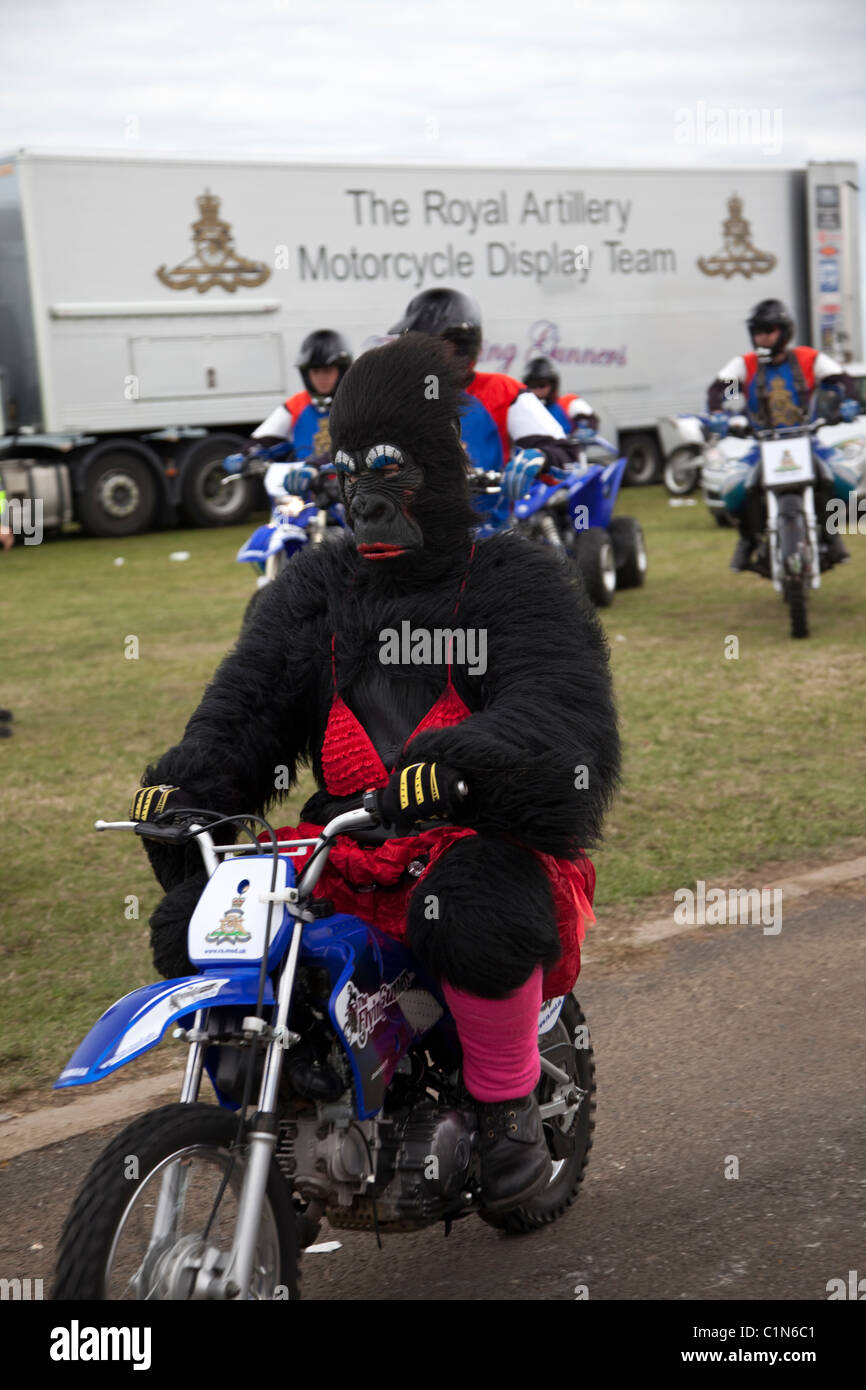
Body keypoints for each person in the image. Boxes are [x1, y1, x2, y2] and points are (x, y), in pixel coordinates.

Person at [131, 334, 620, 1213]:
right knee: (199, 919)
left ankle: (509, 1116)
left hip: (481, 846)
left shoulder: (511, 579)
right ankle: (278, 1111)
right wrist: (187, 786)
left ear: (436, 467)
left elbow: (565, 715)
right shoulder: (309, 593)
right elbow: (240, 714)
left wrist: (463, 764)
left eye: (388, 467)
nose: (365, 492)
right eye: (350, 468)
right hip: (346, 846)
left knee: (472, 902)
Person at [707, 300, 860, 570]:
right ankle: (748, 540)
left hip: (809, 442)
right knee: (733, 491)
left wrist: (848, 400)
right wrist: (720, 413)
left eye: (768, 329)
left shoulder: (808, 359)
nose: (762, 336)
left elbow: (840, 381)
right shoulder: (746, 365)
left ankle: (830, 533)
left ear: (785, 331)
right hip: (762, 446)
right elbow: (723, 391)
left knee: (844, 482)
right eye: (757, 330)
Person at [388, 289, 585, 478]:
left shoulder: (501, 391)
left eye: (432, 344)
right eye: (415, 343)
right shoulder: (397, 395)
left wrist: (541, 458)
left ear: (462, 346)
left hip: (483, 510)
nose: (419, 352)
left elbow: (565, 456)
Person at [231, 330, 352, 500]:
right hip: (301, 491)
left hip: (345, 491)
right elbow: (265, 439)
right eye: (315, 371)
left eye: (327, 371)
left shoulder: (354, 403)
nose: (321, 378)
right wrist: (243, 455)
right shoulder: (297, 404)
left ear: (341, 371)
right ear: (306, 374)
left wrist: (316, 467)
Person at [523, 355, 599, 434]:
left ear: (552, 384)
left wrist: (585, 431)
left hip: (566, 445)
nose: (537, 389)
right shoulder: (522, 408)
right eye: (533, 385)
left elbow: (590, 421)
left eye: (542, 384)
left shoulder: (567, 403)